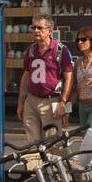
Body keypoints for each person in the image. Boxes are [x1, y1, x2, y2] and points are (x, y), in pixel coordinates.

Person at [16, 15, 73, 143]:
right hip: (31, 100)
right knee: (32, 143)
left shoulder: (60, 50)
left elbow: (69, 78)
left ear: (49, 31)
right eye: (33, 27)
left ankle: (54, 163)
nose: (36, 30)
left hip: (51, 101)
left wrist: (63, 102)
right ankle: (36, 163)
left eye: (39, 27)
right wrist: (20, 103)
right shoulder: (30, 50)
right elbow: (25, 77)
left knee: (52, 142)